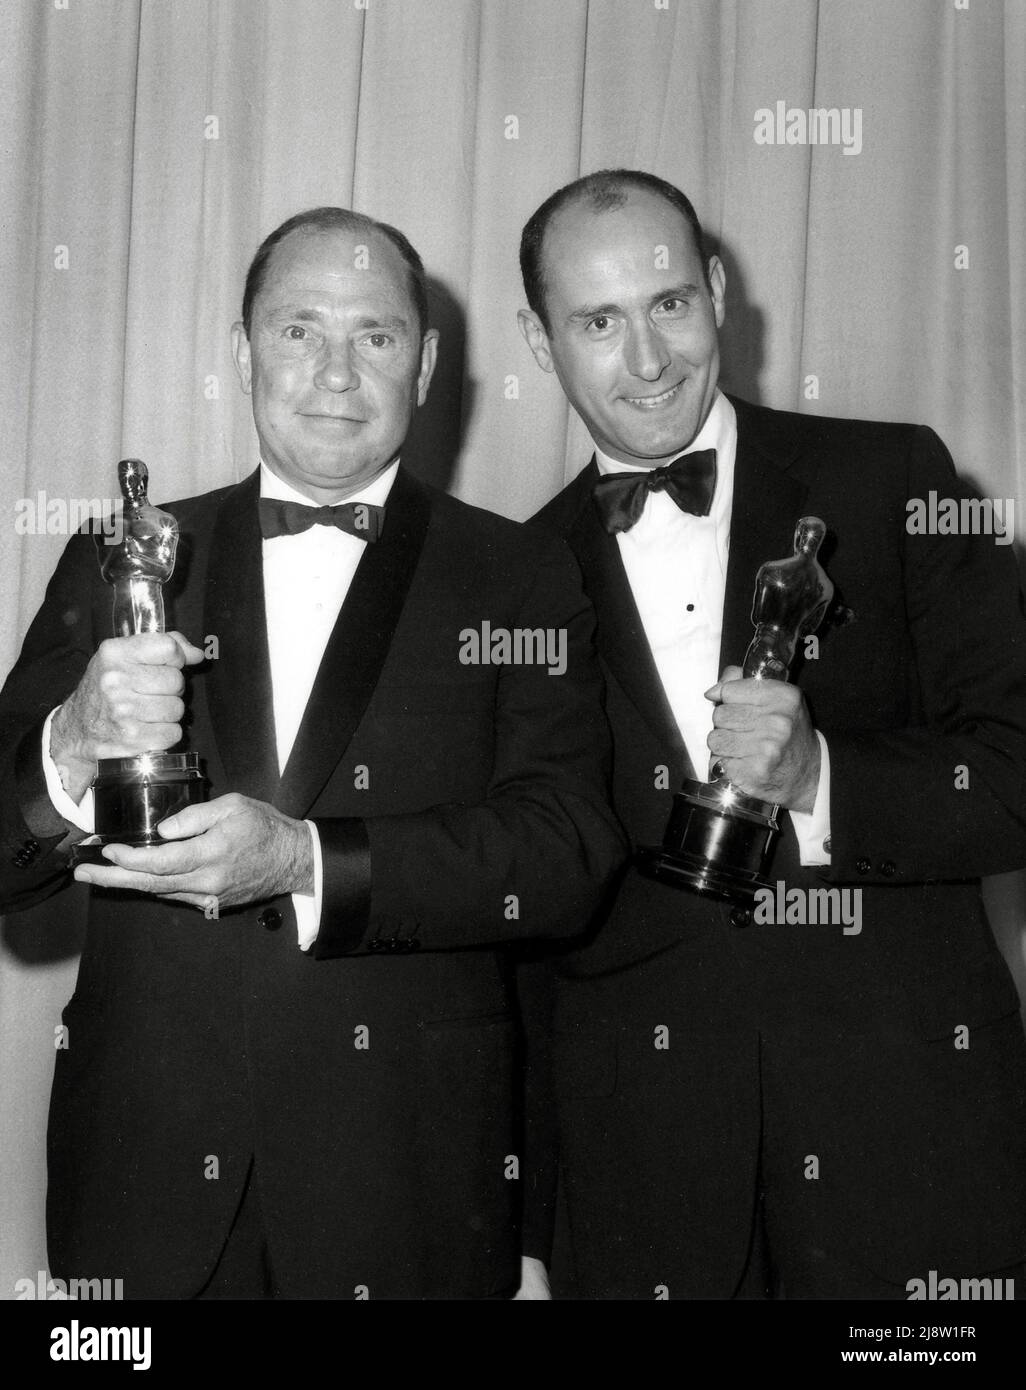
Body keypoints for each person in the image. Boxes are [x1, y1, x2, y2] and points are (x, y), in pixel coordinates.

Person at [0, 206, 625, 1300]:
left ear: (427, 365)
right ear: (243, 351)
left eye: (376, 337)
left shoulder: (520, 574)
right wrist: (71, 744)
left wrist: (305, 860)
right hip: (142, 1193)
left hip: (412, 1190)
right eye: (298, 331)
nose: (336, 371)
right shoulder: (122, 556)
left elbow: (566, 852)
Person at [517, 169, 1026, 1299]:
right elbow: (522, 938)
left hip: (909, 1159)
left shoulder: (894, 478)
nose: (647, 360)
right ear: (541, 343)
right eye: (598, 321)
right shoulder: (512, 575)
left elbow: (1013, 768)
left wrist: (822, 778)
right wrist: (530, 1228)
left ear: (718, 289)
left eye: (668, 304)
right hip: (640, 1192)